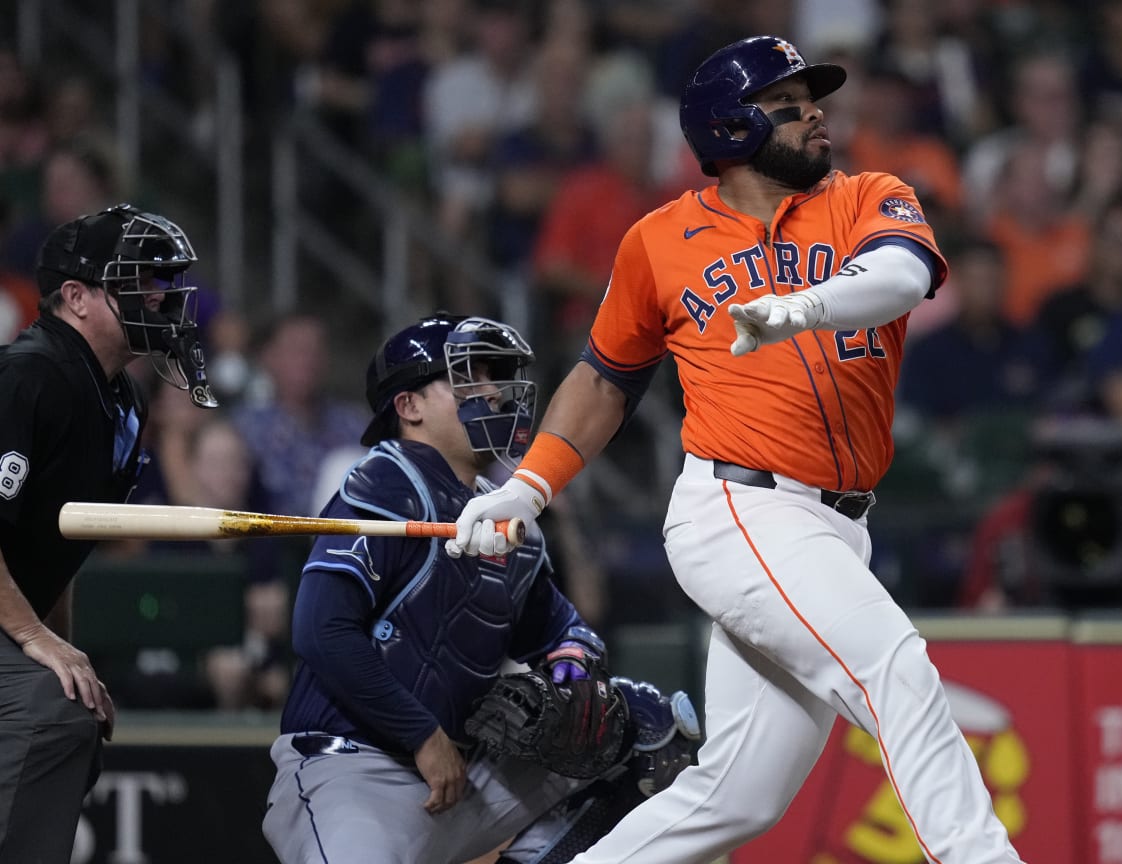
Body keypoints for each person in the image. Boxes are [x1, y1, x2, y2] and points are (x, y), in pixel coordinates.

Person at [450, 36, 1025, 863]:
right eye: (786, 104)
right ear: (728, 128)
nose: (813, 113)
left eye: (811, 98)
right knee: (895, 668)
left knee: (737, 796)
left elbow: (902, 277)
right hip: (740, 504)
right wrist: (526, 488)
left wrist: (798, 307)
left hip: (837, 525)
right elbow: (606, 378)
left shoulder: (869, 194)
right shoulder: (660, 239)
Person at [262, 314, 698, 864]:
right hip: (352, 769)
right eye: (469, 378)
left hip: (460, 776)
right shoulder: (389, 479)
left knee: (647, 733)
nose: (492, 393)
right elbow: (320, 630)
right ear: (409, 407)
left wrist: (571, 667)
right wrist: (423, 735)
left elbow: (566, 633)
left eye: (496, 377)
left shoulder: (505, 513)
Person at [0, 203, 212, 861]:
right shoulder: (28, 374)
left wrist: (60, 644)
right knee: (53, 712)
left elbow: (57, 547)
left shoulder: (123, 399)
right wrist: (37, 638)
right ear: (77, 297)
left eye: (163, 279)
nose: (162, 295)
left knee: (75, 705)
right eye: (142, 279)